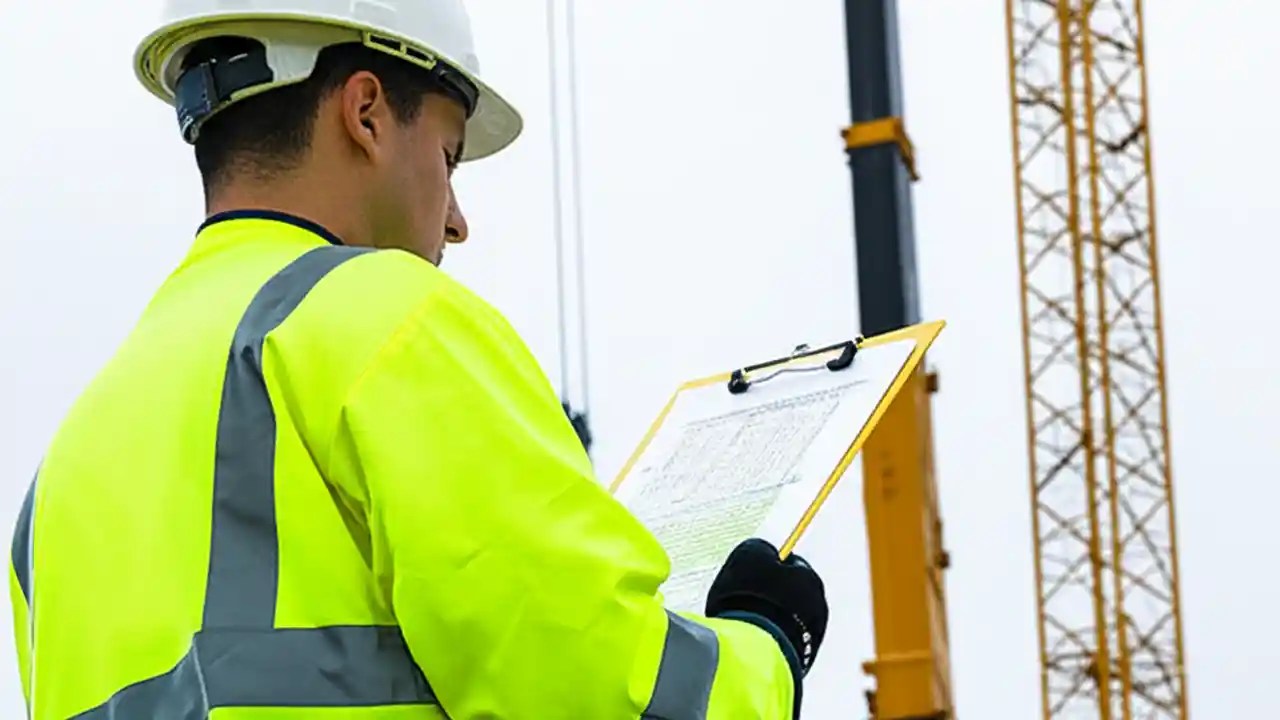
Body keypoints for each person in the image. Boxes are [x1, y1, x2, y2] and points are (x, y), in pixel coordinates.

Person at [7, 1, 830, 718]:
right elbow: (595, 690)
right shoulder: (383, 321)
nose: (457, 221)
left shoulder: (67, 466)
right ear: (365, 112)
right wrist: (764, 650)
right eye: (448, 157)